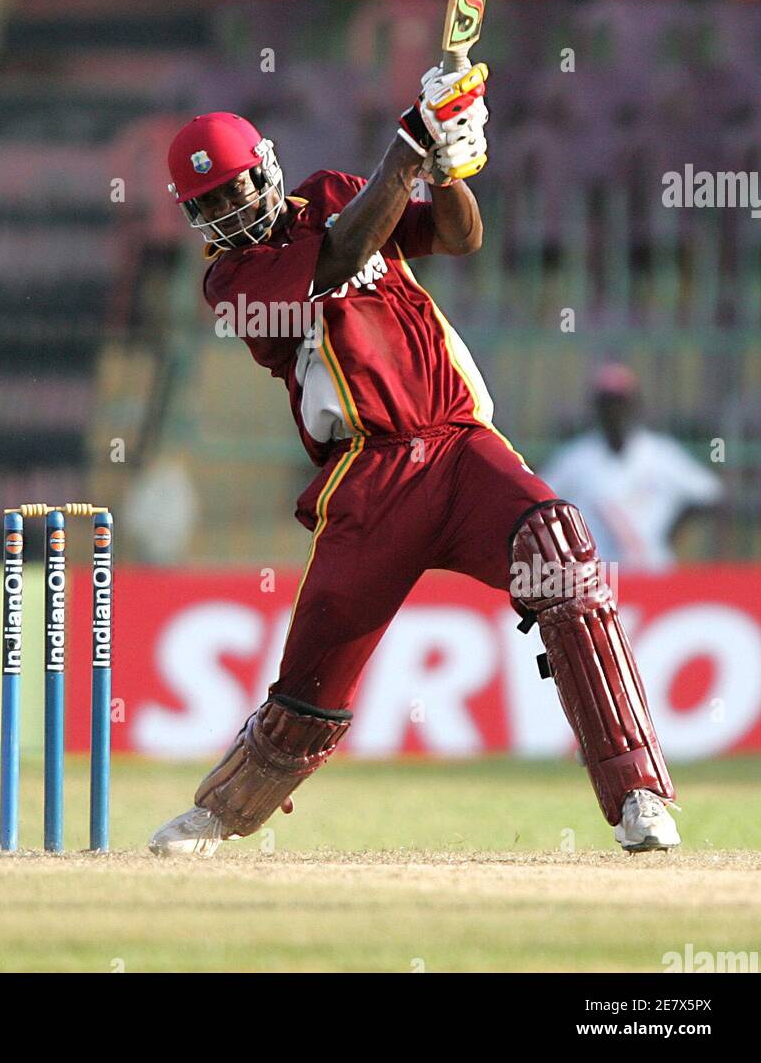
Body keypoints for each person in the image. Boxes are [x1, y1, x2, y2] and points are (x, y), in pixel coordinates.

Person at [150, 64, 678, 858]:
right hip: (368, 479)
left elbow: (460, 234)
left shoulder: (333, 192)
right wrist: (410, 144)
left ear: (267, 166)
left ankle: (637, 789)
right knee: (309, 689)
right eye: (212, 205)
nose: (230, 211)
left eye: (235, 190)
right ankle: (223, 813)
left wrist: (451, 166)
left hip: (463, 447)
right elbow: (338, 259)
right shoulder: (232, 281)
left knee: (562, 558)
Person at [542, 363, 722, 571]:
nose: (614, 412)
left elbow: (711, 494)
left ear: (635, 406)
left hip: (652, 569)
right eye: (607, 404)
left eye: (620, 403)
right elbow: (540, 503)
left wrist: (670, 532)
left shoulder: (660, 454)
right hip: (596, 576)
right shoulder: (577, 458)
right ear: (597, 409)